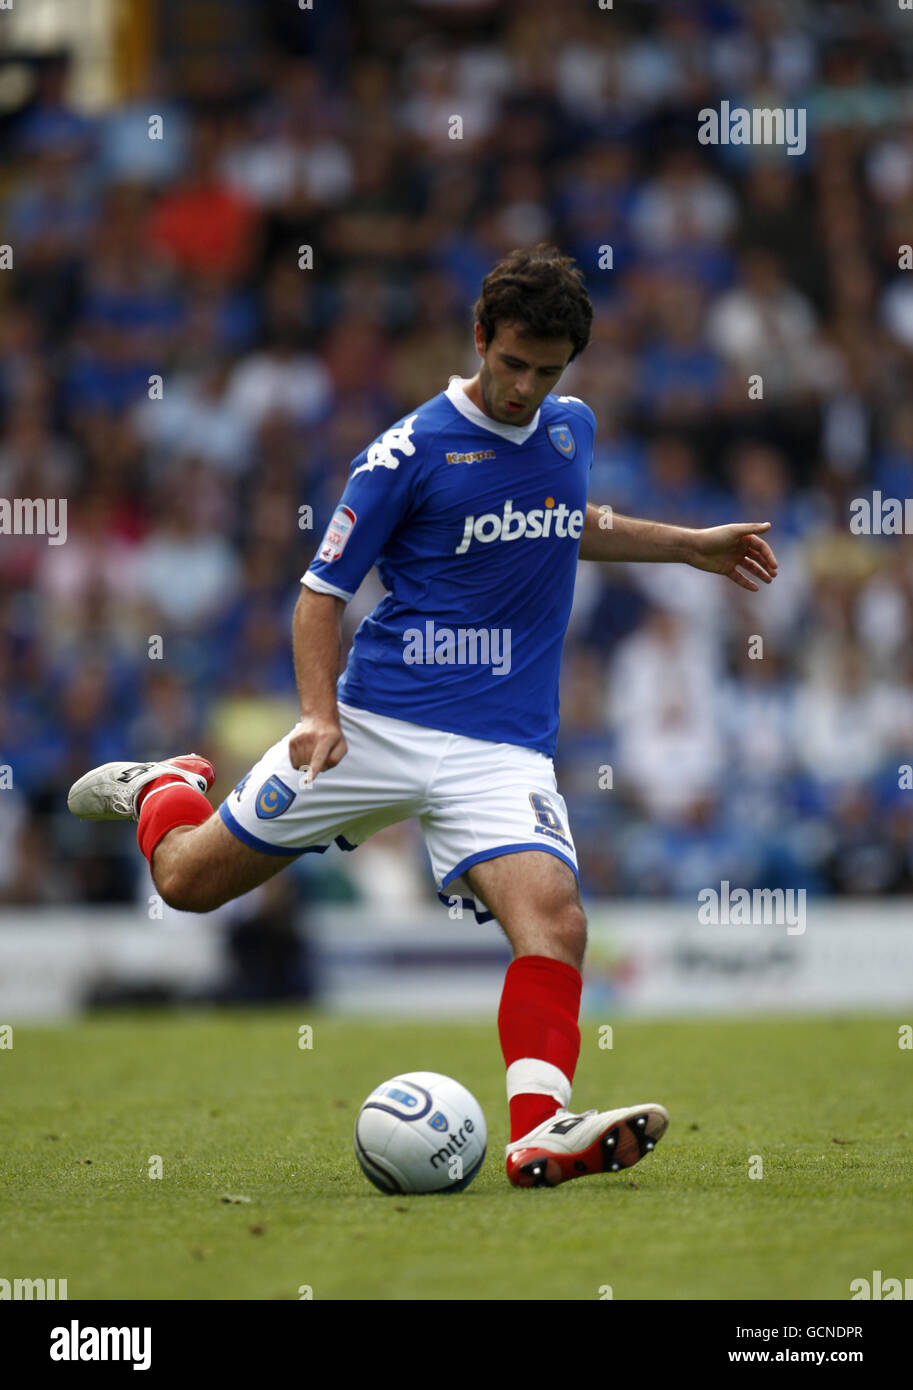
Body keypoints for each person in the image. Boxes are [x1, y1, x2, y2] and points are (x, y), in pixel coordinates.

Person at [69, 244, 777, 1187]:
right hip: (374, 727)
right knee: (189, 885)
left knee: (556, 923)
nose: (525, 387)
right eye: (512, 363)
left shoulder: (571, 431)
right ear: (479, 339)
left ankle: (538, 1130)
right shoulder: (404, 454)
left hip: (502, 749)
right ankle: (165, 787)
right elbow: (319, 596)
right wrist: (317, 715)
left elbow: (566, 522)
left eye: (547, 370)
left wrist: (685, 545)